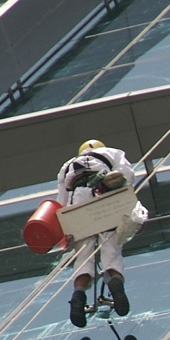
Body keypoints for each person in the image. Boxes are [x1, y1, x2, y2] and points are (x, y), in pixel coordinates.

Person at [52, 139, 146, 329]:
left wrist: (66, 229)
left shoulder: (66, 166)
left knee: (83, 256)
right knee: (110, 248)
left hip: (76, 200)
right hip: (103, 197)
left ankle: (78, 293)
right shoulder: (112, 152)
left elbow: (61, 200)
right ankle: (115, 284)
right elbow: (126, 174)